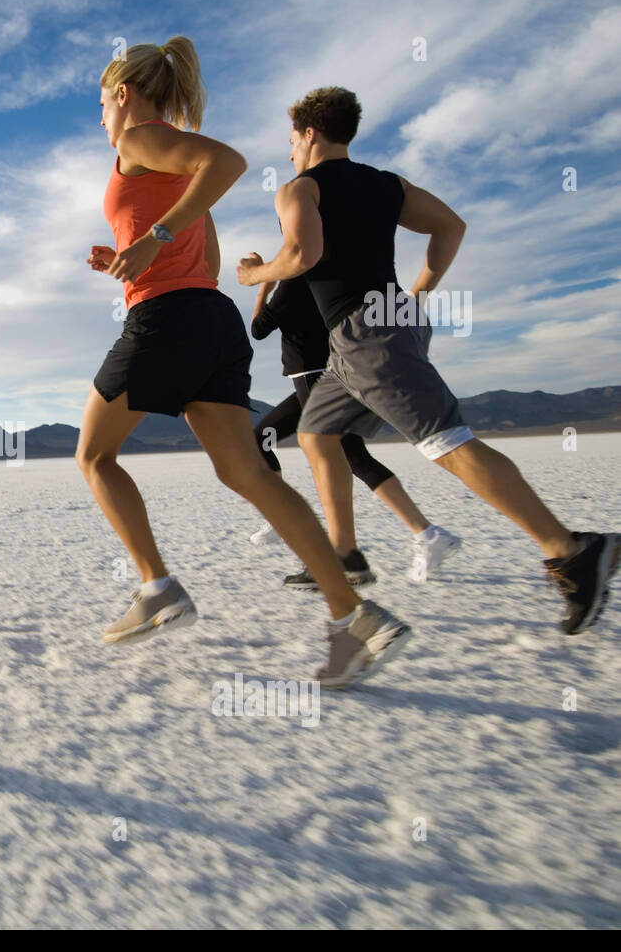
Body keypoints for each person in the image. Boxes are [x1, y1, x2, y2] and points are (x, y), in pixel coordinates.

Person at [79, 39, 410, 688]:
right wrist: (134, 252)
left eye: (99, 103)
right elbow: (201, 258)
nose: (99, 118)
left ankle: (158, 587)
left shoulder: (141, 138)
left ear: (122, 94)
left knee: (93, 455)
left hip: (168, 320)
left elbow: (228, 161)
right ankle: (355, 616)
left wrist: (151, 241)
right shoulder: (171, 166)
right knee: (248, 474)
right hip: (208, 318)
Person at [237, 86, 619, 635]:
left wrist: (255, 275)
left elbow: (303, 255)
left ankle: (572, 550)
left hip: (367, 336)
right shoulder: (388, 185)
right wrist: (416, 293)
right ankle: (345, 553)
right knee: (319, 435)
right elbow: (451, 226)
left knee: (446, 442)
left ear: (310, 133)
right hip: (365, 334)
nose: (290, 149)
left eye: (291, 138)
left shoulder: (300, 189)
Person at [248, 273, 462, 585]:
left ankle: (418, 535)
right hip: (329, 375)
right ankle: (419, 535)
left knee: (349, 456)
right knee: (268, 441)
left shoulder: (296, 281)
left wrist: (263, 287)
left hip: (316, 376)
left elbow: (258, 328)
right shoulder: (323, 281)